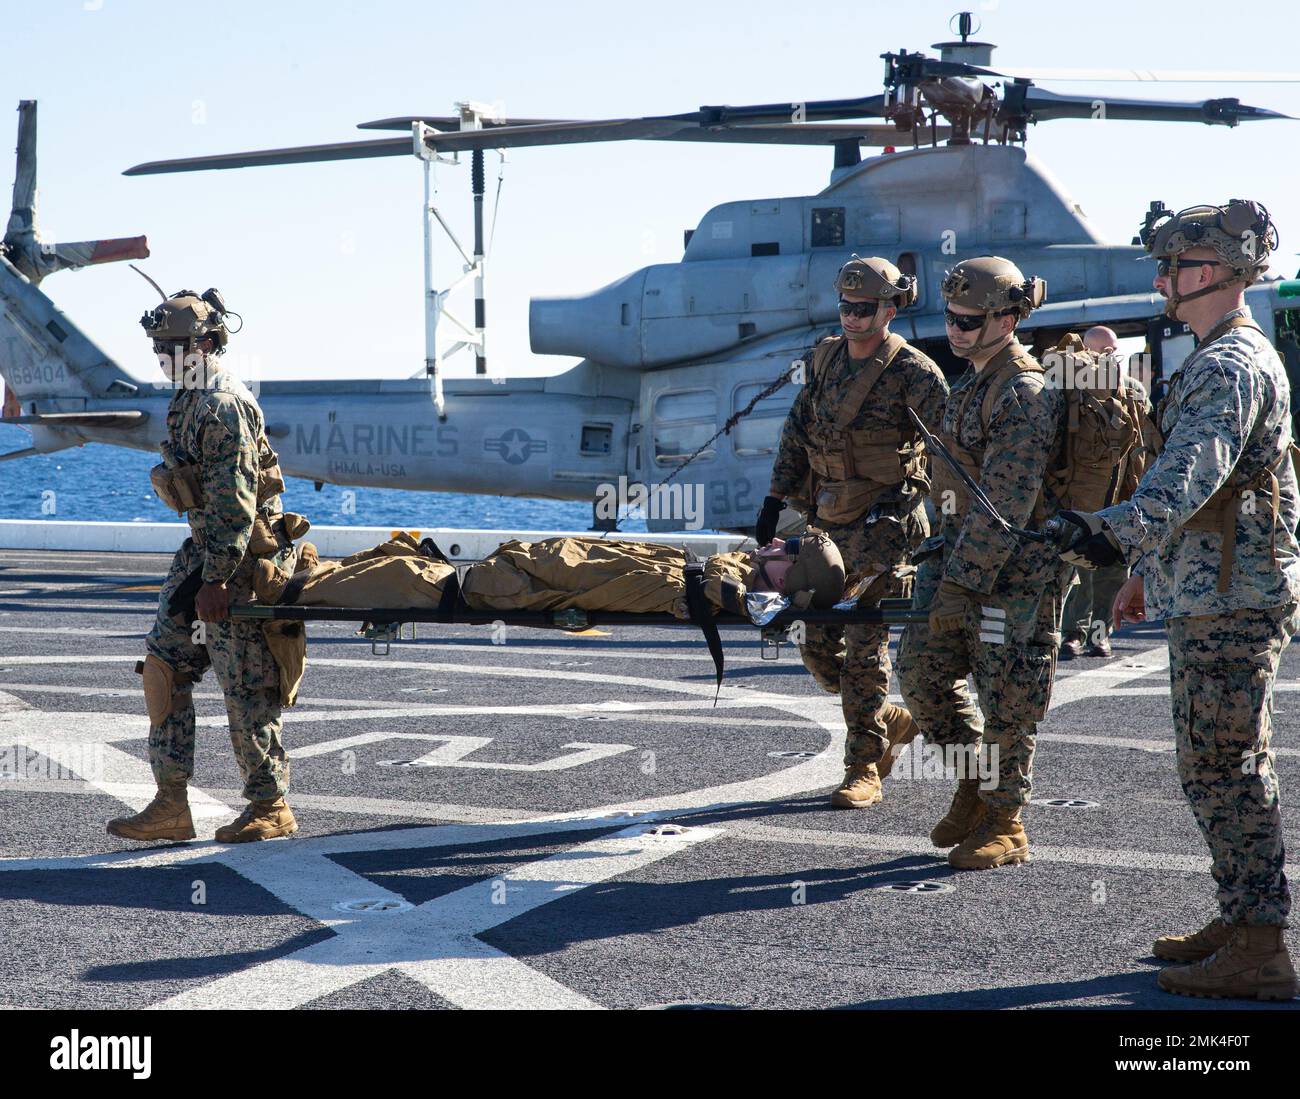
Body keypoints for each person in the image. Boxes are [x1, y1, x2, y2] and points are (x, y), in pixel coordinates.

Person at [1060, 199, 1299, 1000]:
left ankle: (1261, 944)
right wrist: (1145, 571)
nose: (1162, 280)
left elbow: (1186, 477)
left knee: (1226, 768)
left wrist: (1109, 533)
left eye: (1173, 266)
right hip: (1215, 586)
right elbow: (1211, 492)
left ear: (1215, 272)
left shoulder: (1227, 366)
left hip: (1234, 596)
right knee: (1215, 764)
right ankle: (1241, 915)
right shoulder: (1217, 354)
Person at [107, 288, 306, 845]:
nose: (165, 357)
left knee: (245, 687)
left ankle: (271, 806)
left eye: (174, 346)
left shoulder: (220, 404)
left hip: (238, 561)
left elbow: (235, 502)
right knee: (164, 668)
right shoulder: (188, 398)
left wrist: (217, 578)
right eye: (159, 348)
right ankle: (171, 805)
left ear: (210, 341)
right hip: (204, 553)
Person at [896, 255, 1069, 870]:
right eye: (951, 316)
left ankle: (1005, 821)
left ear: (1009, 318)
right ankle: (975, 779)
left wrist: (961, 588)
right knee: (919, 673)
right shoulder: (972, 380)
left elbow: (1006, 505)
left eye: (971, 319)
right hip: (956, 560)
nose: (957, 329)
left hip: (1014, 574)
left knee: (1008, 700)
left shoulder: (1021, 391)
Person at [757, 256, 948, 809]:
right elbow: (797, 432)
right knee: (815, 644)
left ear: (890, 310)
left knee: (866, 647)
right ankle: (885, 717)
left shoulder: (916, 373)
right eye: (846, 307)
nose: (853, 318)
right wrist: (774, 501)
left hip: (886, 526)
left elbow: (949, 455)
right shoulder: (823, 359)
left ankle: (863, 765)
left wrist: (953, 524)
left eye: (865, 309)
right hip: (827, 524)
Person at [1059, 326, 1135, 660]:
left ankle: (1100, 635)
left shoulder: (1134, 393)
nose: (1108, 359)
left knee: (1112, 573)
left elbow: (1143, 447)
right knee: (1078, 573)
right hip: (1080, 499)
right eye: (1099, 353)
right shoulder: (1069, 392)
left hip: (1120, 498)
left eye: (1112, 352)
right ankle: (1071, 635)